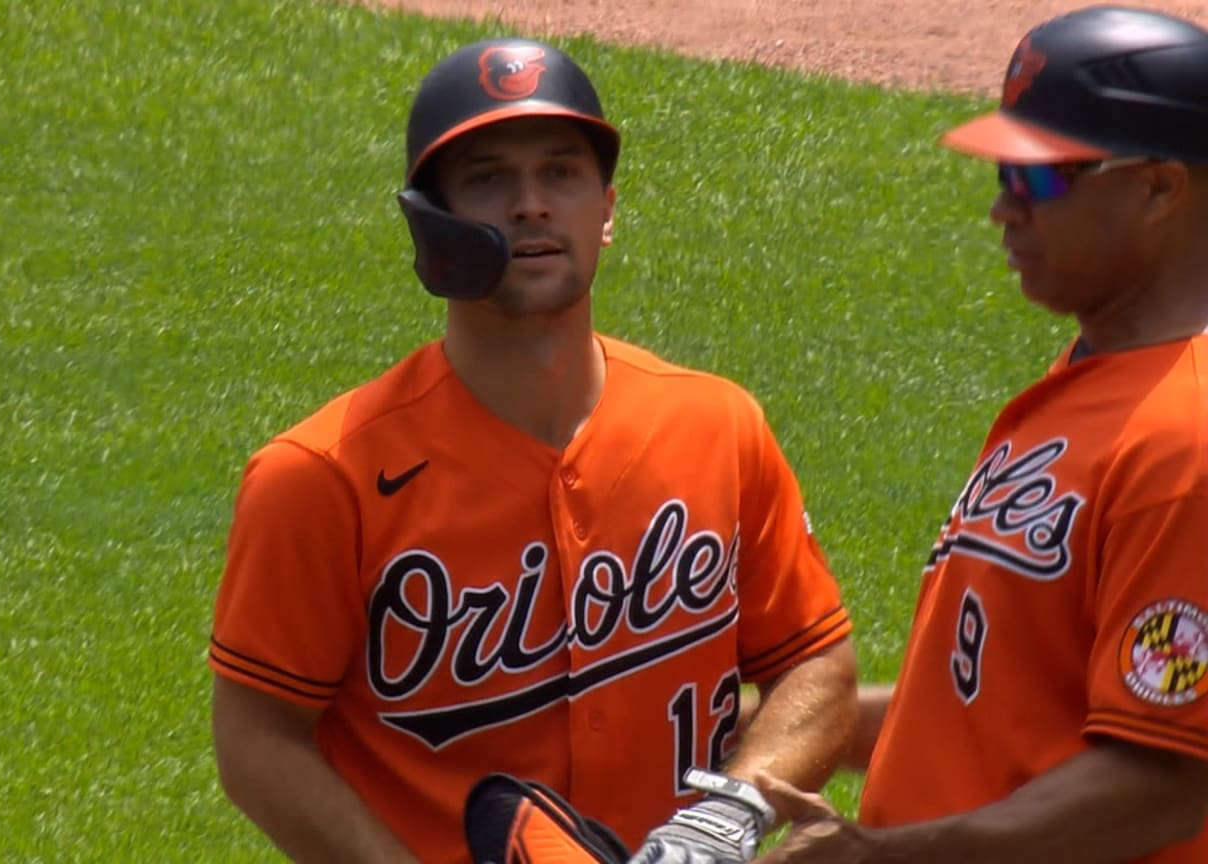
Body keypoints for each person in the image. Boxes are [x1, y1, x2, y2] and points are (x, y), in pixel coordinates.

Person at [208, 37, 858, 864]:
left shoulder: (717, 425)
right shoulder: (321, 477)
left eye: (561, 173)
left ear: (608, 209)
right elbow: (257, 743)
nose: (532, 205)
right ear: (430, 220)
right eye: (489, 180)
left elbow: (814, 658)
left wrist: (730, 813)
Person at [751, 6, 1208, 863]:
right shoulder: (1091, 378)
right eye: (1004, 172)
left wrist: (883, 857)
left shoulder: (1186, 439)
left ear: (1159, 187)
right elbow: (992, 709)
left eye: (1037, 179)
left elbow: (1162, 789)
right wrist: (758, 727)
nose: (1003, 208)